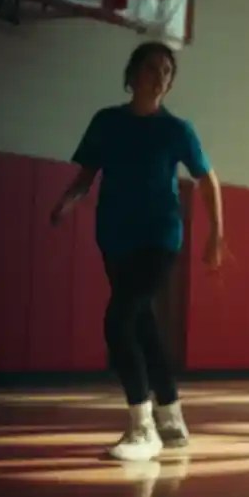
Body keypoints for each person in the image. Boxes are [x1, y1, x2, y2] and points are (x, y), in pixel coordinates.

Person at [50, 41, 224, 462]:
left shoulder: (177, 130)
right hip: (114, 235)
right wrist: (68, 200)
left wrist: (216, 234)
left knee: (119, 320)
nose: (160, 76)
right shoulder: (107, 122)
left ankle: (141, 427)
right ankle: (171, 414)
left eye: (167, 70)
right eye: (152, 68)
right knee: (142, 323)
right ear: (132, 75)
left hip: (159, 238)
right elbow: (86, 174)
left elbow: (206, 178)